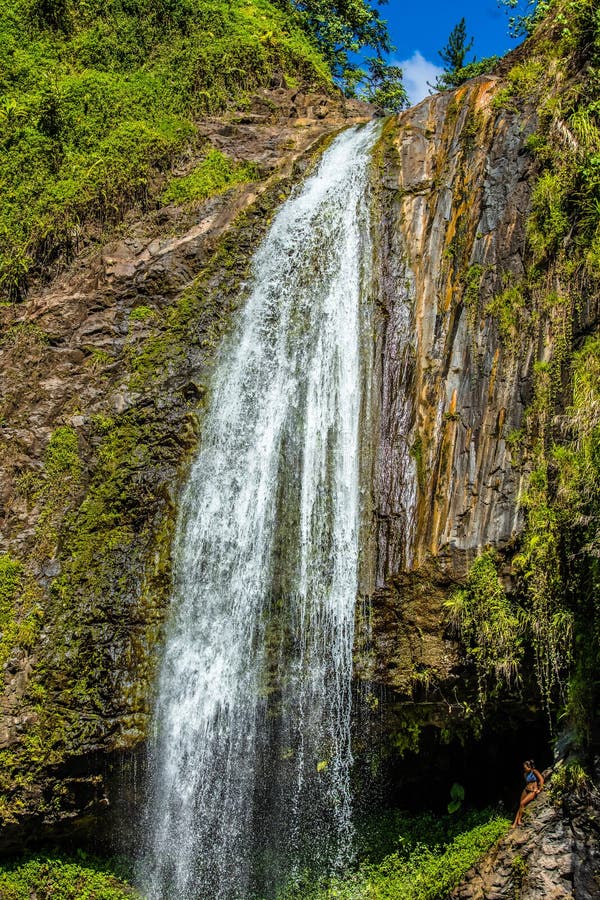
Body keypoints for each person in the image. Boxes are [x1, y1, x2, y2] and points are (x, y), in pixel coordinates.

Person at [512, 759, 544, 827]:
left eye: (525, 767)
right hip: (526, 789)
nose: (524, 769)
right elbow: (527, 783)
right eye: (524, 768)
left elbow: (541, 779)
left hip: (533, 790)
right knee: (520, 805)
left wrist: (539, 789)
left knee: (522, 803)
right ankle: (514, 823)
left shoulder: (534, 771)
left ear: (529, 767)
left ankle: (519, 820)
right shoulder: (525, 774)